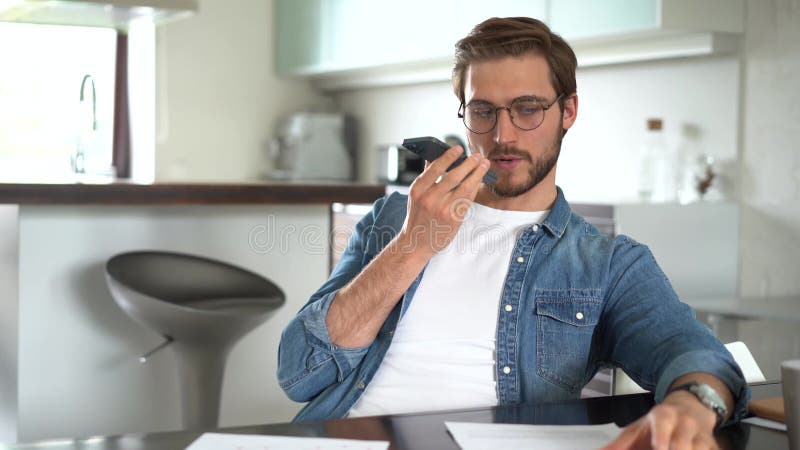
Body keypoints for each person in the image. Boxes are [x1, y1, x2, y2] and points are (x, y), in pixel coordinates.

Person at [278, 16, 749, 449]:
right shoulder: (392, 218)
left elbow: (689, 349)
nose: (503, 134)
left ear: (569, 111)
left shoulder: (606, 262)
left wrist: (692, 404)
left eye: (527, 109)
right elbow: (298, 374)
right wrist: (414, 243)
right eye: (483, 111)